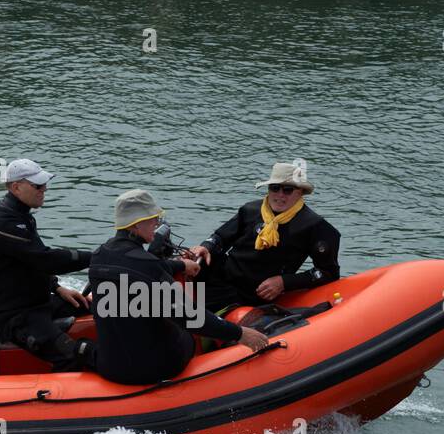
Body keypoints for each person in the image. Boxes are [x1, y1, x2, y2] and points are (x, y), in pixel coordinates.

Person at [89, 189, 267, 385]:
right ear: (137, 225)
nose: (156, 225)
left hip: (109, 366)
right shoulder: (147, 265)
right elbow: (190, 317)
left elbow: (140, 267)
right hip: (153, 369)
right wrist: (240, 333)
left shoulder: (100, 255)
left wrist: (181, 264)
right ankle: (211, 356)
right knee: (188, 333)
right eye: (153, 220)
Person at [0, 158, 95, 371]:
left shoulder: (21, 216)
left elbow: (29, 262)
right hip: (17, 316)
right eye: (38, 186)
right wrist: (95, 257)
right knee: (77, 356)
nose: (44, 189)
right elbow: (45, 259)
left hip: (36, 303)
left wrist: (57, 288)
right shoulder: (5, 221)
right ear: (16, 187)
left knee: (99, 306)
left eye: (44, 184)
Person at [187, 162, 340, 312]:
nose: (280, 195)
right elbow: (220, 238)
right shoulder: (250, 210)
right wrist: (205, 247)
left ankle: (191, 320)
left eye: (287, 190)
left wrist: (284, 282)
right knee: (181, 266)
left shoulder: (315, 226)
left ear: (300, 192)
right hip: (222, 276)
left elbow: (328, 272)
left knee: (196, 313)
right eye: (274, 188)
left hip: (253, 293)